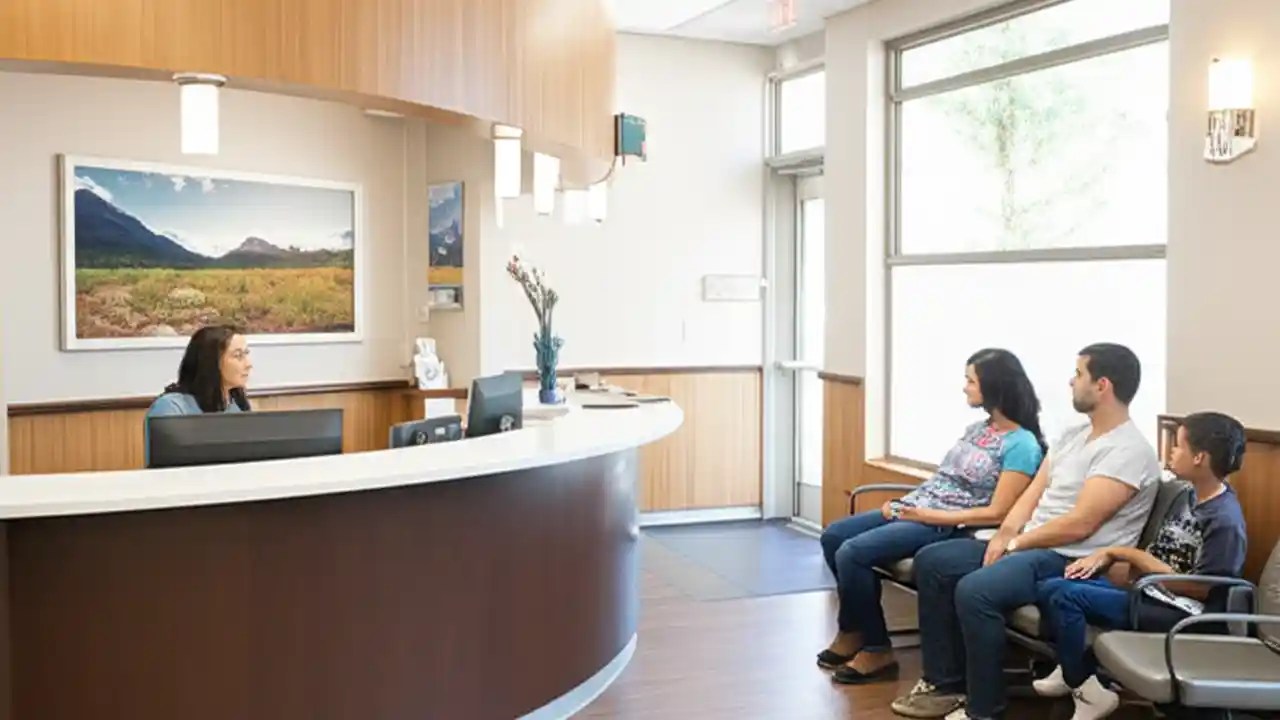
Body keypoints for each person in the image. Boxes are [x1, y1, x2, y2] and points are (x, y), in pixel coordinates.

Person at [890, 343, 1162, 720]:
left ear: (1103, 386)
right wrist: (1005, 533)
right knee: (934, 562)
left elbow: (1081, 523)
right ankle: (945, 684)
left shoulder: (1128, 450)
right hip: (1032, 544)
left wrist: (1017, 543)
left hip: (1072, 558)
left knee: (976, 590)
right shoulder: (1073, 434)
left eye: (1078, 374)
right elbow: (1033, 493)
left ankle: (983, 709)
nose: (1071, 381)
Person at [818, 349, 1047, 684]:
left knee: (852, 553)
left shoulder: (1022, 445)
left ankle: (876, 648)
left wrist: (925, 514)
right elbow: (944, 479)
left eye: (971, 381)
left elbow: (998, 511)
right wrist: (903, 503)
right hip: (918, 506)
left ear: (994, 386)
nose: (965, 387)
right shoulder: (978, 429)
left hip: (945, 523)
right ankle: (853, 629)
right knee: (834, 536)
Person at [1031, 411, 1248, 720]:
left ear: (1199, 457)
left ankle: (1081, 684)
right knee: (1051, 585)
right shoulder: (1186, 496)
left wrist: (1131, 557)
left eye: (1178, 445)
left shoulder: (1224, 519)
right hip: (1152, 593)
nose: (1171, 451)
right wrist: (1120, 563)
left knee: (1066, 597)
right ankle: (1074, 672)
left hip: (1184, 612)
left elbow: (1201, 589)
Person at [146, 325, 254, 419]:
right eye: (238, 356)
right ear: (211, 361)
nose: (248, 365)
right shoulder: (172, 407)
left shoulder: (238, 405)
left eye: (246, 354)